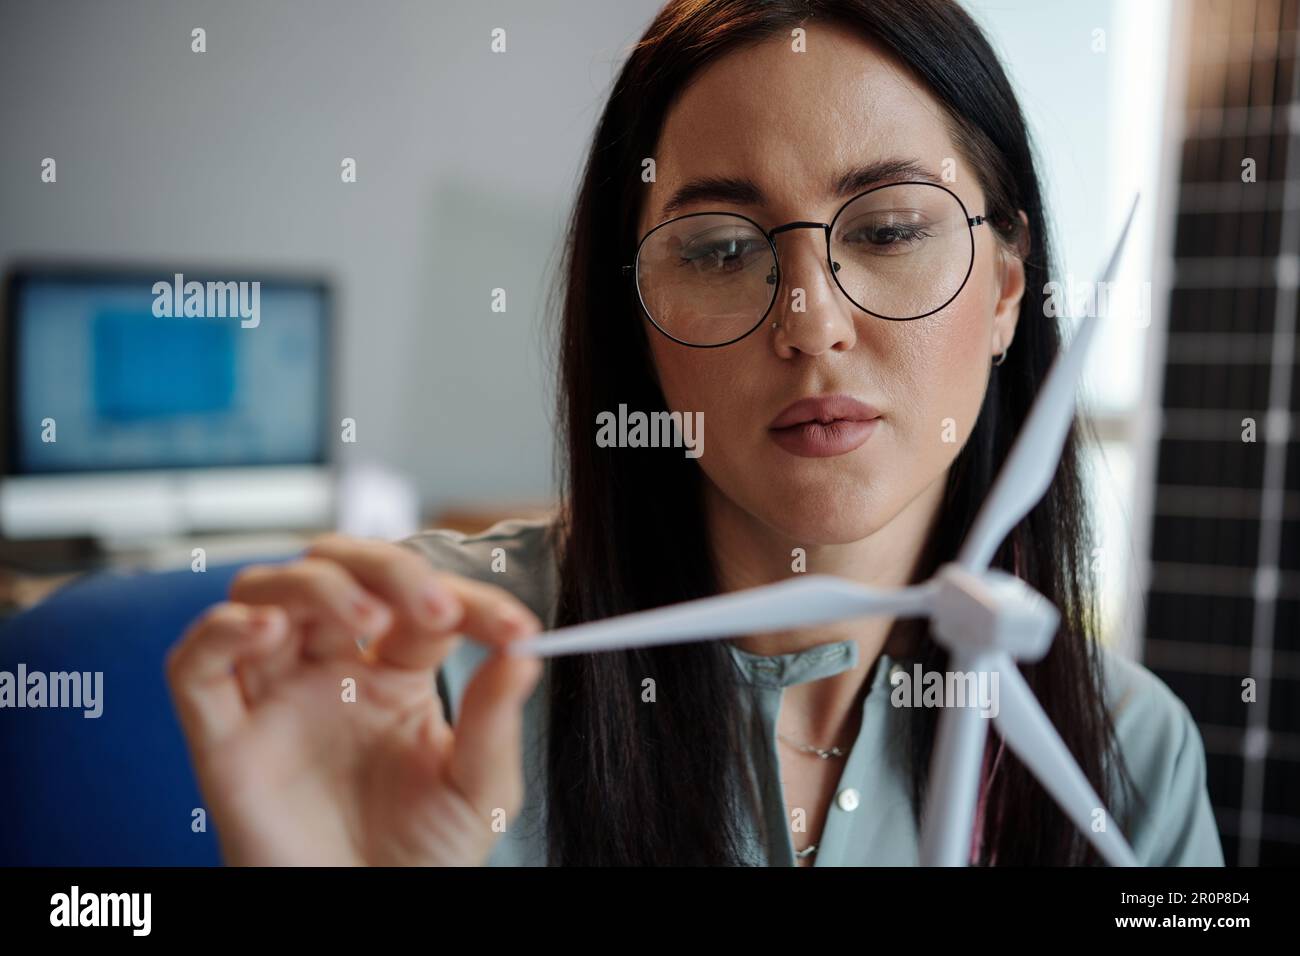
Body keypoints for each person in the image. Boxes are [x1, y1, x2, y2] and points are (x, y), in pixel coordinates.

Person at [165, 0, 1225, 867]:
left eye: (892, 229)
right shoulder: (428, 673)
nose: (811, 320)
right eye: (718, 250)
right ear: (637, 316)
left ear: (1004, 289)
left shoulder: (1129, 753)